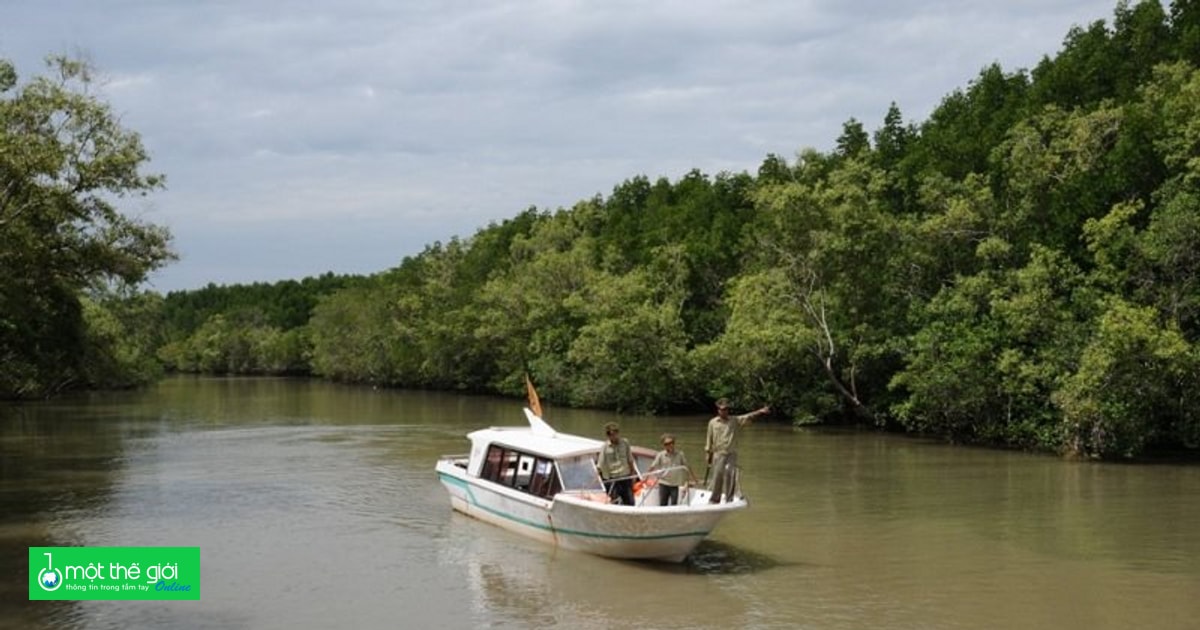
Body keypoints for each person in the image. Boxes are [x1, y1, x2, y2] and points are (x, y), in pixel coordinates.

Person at [705, 398, 770, 503]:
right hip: (718, 452)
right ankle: (715, 499)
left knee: (731, 473)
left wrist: (760, 411)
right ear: (718, 410)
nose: (724, 411)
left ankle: (729, 499)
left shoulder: (734, 420)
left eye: (726, 409)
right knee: (718, 475)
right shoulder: (712, 422)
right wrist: (708, 453)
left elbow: (748, 416)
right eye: (722, 409)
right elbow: (709, 438)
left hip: (731, 453)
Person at [648, 433, 698, 506]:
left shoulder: (680, 454)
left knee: (674, 504)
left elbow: (687, 467)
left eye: (672, 443)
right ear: (664, 445)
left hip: (674, 484)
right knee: (663, 504)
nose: (670, 445)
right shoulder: (660, 455)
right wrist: (645, 478)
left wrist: (694, 479)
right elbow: (652, 466)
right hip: (663, 483)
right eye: (667, 444)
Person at [599, 422, 637, 505]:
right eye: (611, 434)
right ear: (608, 435)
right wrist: (602, 479)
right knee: (614, 501)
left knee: (630, 501)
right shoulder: (604, 447)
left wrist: (633, 474)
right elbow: (600, 465)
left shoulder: (625, 443)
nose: (614, 436)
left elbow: (630, 459)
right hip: (613, 478)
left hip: (625, 476)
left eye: (615, 433)